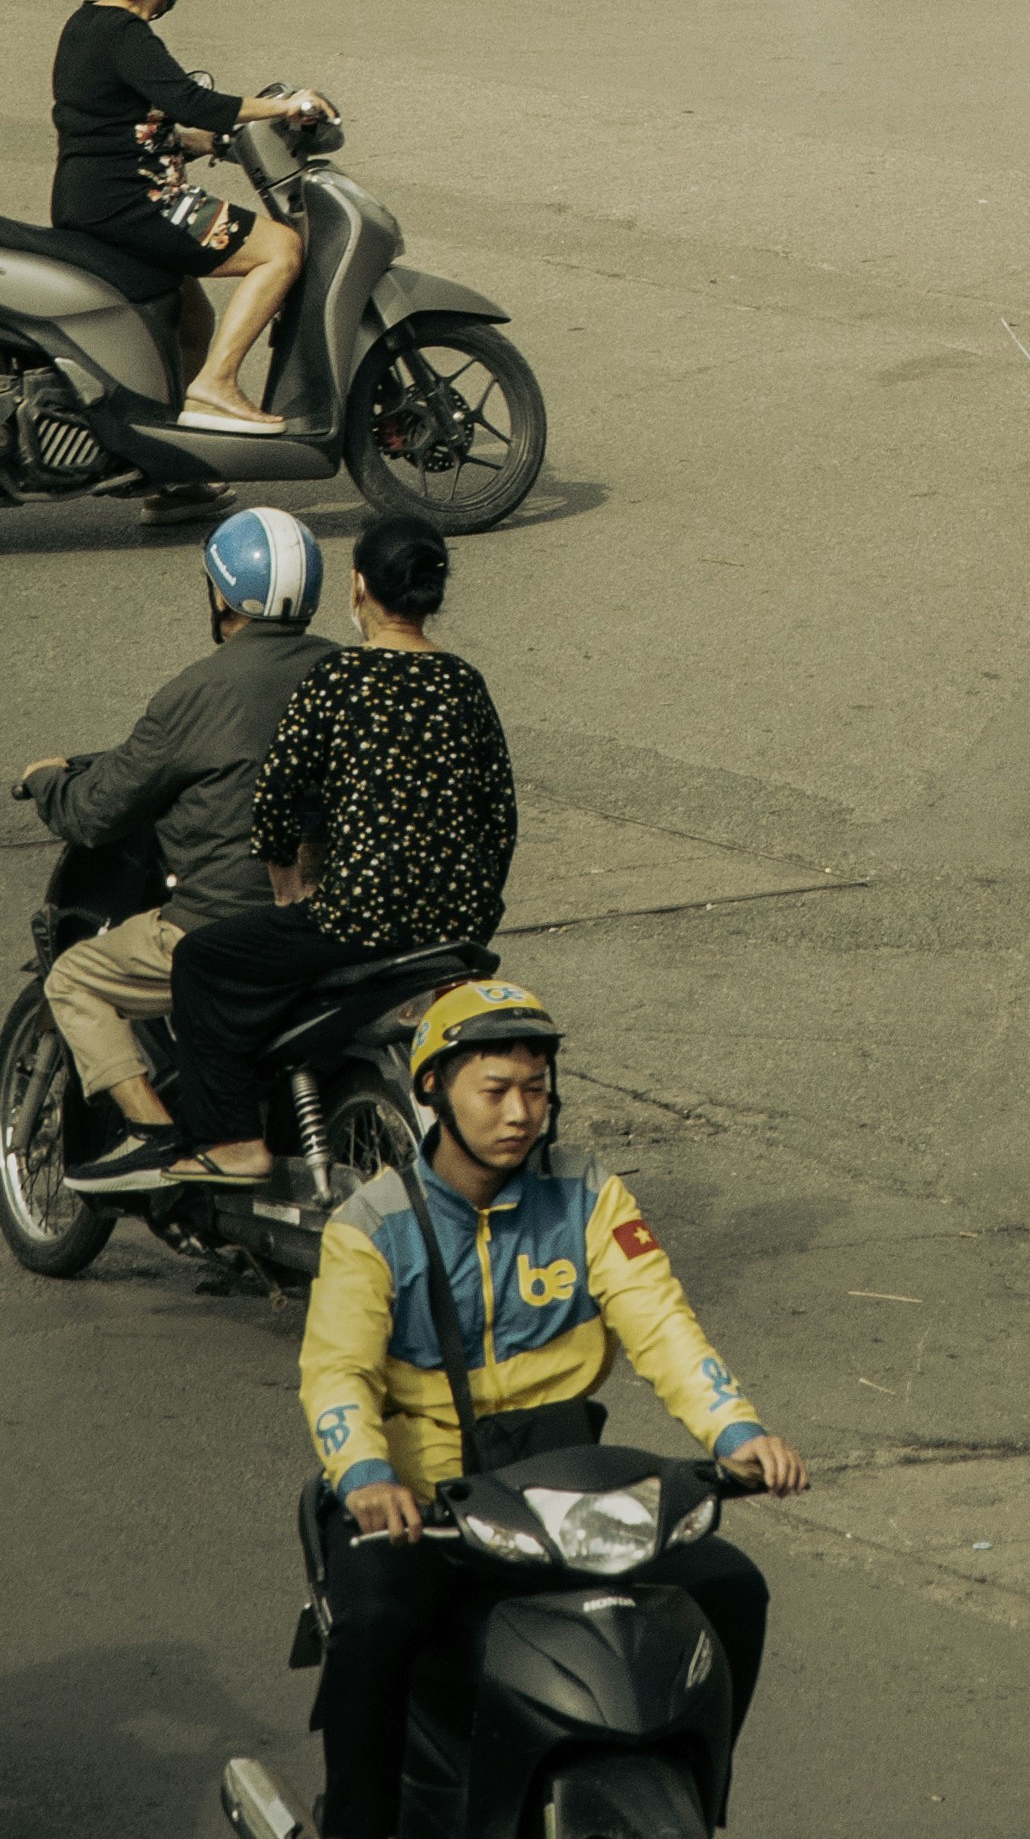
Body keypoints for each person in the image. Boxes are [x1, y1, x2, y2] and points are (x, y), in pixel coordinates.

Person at [299, 978, 807, 1839]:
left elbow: (660, 1321)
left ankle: (692, 1796)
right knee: (377, 1626)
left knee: (732, 1589)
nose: (520, 1112)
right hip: (422, 1508)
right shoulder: (373, 1223)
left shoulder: (589, 1194)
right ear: (432, 1092)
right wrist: (367, 1477)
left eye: (535, 1089)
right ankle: (358, 1823)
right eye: (494, 1090)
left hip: (559, 1489)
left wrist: (739, 1430)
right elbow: (336, 1369)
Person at [168, 514, 515, 1185]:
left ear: (357, 587)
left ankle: (233, 1140)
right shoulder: (465, 683)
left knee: (201, 962)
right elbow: (499, 818)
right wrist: (470, 907)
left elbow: (274, 802)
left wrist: (286, 885)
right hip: (455, 933)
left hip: (360, 926)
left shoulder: (338, 678)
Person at [19, 510, 333, 1192]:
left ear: (222, 595)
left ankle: (152, 1131)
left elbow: (98, 808)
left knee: (73, 977)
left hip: (224, 924)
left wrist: (47, 780)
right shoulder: (345, 670)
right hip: (333, 920)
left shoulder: (199, 690)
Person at [51, 0, 330, 434]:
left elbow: (110, 121)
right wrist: (286, 106)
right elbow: (192, 100)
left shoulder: (84, 24)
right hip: (137, 205)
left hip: (90, 201)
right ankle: (217, 383)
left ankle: (178, 473)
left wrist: (194, 142)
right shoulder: (126, 35)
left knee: (193, 319)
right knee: (280, 249)